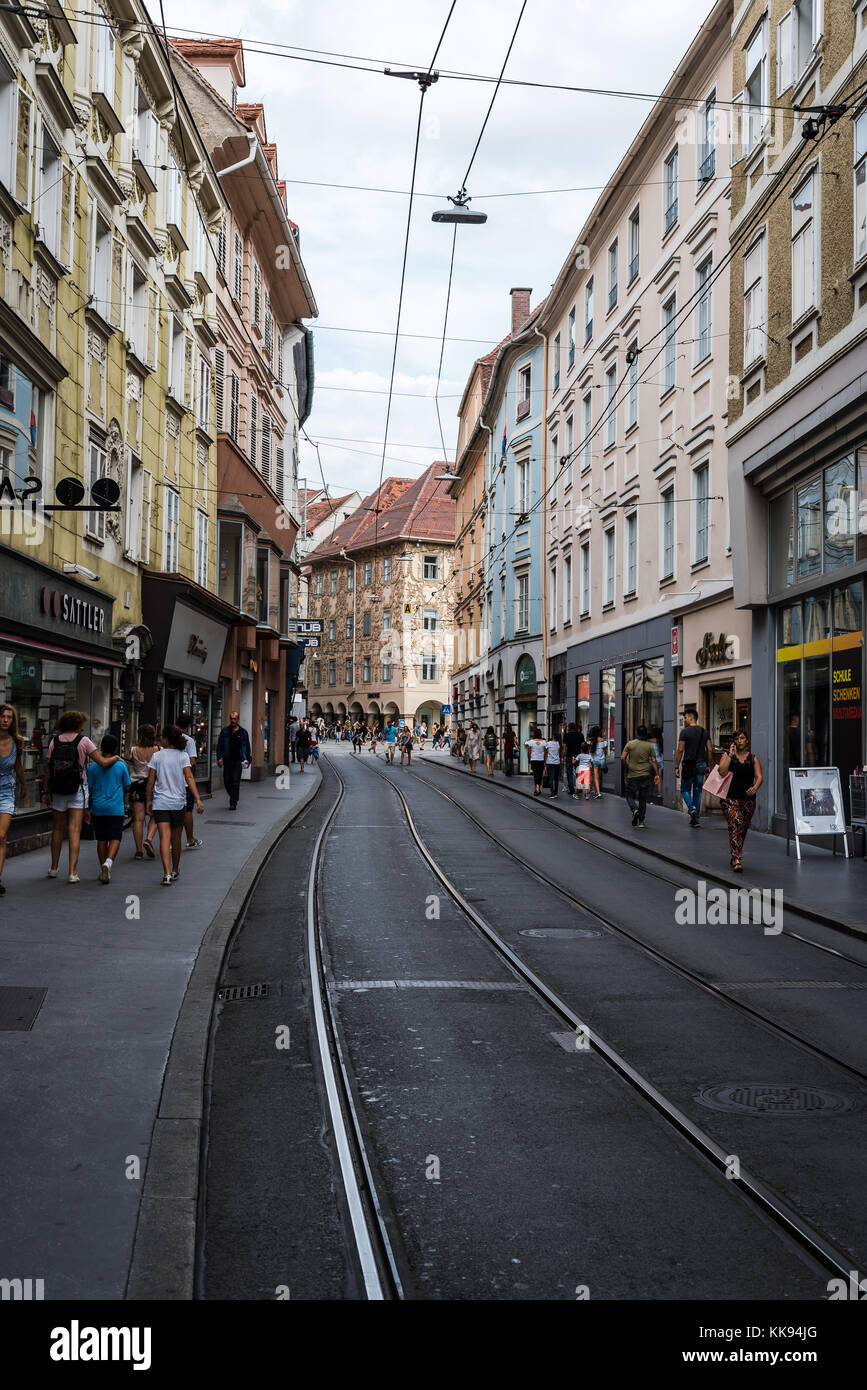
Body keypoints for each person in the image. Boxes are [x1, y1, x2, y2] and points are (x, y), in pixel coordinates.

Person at [43, 711, 120, 883]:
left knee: (57, 829)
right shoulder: (83, 741)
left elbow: (48, 768)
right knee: (74, 830)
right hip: (77, 788)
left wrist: (45, 790)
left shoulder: (54, 741)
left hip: (57, 789)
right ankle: (72, 872)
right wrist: (116, 757)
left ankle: (54, 868)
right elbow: (102, 762)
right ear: (77, 725)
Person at [146, 726, 204, 885]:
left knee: (164, 837)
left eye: (162, 737)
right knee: (176, 838)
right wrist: (198, 799)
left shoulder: (157, 756)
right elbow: (189, 778)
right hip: (178, 803)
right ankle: (175, 868)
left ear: (166, 739)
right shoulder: (183, 756)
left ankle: (166, 874)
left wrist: (148, 800)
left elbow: (150, 781)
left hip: (161, 802)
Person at [86, 734, 131, 883]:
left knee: (101, 838)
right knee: (115, 837)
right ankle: (109, 863)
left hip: (98, 807)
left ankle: (103, 868)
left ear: (101, 748)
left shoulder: (93, 767)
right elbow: (127, 786)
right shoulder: (121, 765)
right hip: (115, 808)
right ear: (116, 749)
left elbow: (90, 789)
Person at [718, 730, 763, 872]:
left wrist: (755, 787)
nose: (740, 741)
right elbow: (721, 771)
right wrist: (730, 755)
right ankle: (737, 859)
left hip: (748, 800)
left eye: (742, 738)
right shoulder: (727, 756)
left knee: (742, 829)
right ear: (734, 742)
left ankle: (734, 855)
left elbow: (759, 776)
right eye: (737, 738)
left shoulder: (753, 758)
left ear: (747, 740)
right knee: (735, 824)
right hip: (730, 799)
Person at [0, 704, 27, 895]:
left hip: (7, 792)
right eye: (2, 716)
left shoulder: (17, 742)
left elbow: (17, 766)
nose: (5, 720)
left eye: (9, 717)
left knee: (1, 836)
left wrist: (24, 784)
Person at [675, 709, 714, 829]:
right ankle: (696, 819)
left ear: (691, 718)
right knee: (698, 791)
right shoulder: (704, 731)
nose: (684, 720)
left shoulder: (685, 732)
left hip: (689, 765)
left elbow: (680, 750)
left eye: (685, 718)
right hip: (701, 764)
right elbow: (710, 750)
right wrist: (709, 765)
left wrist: (677, 766)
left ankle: (691, 808)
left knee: (684, 789)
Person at [620, 724, 661, 829]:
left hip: (632, 774)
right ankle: (641, 821)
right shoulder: (649, 746)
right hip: (645, 775)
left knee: (629, 795)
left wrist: (627, 766)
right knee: (643, 798)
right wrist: (657, 774)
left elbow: (622, 757)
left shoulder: (630, 744)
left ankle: (635, 810)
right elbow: (654, 761)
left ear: (637, 733)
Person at [128, 724, 159, 861]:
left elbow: (129, 765)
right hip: (153, 785)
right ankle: (149, 839)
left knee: (138, 819)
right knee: (155, 815)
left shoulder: (133, 750)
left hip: (137, 785)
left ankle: (139, 851)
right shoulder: (158, 750)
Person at [176, 712, 203, 850]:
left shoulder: (169, 739)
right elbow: (192, 762)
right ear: (188, 726)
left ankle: (170, 841)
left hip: (170, 781)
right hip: (185, 782)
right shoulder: (189, 741)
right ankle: (190, 838)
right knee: (187, 811)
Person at [216, 711, 251, 810]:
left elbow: (247, 747)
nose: (232, 720)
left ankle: (233, 802)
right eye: (231, 718)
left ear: (238, 719)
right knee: (227, 781)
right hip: (227, 760)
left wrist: (248, 759)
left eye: (234, 719)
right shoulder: (225, 731)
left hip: (238, 761)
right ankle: (234, 796)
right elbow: (220, 746)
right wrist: (219, 757)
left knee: (235, 781)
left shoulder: (243, 732)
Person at [525, 726, 547, 795]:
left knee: (535, 774)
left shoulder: (530, 742)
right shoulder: (544, 742)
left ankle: (537, 788)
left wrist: (529, 759)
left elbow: (529, 752)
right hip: (541, 760)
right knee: (540, 774)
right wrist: (545, 761)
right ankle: (538, 788)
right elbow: (545, 753)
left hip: (533, 759)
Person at [563, 722, 582, 798]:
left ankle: (572, 790)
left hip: (569, 756)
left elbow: (564, 747)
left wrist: (562, 756)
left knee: (569, 773)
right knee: (578, 772)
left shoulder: (566, 735)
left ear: (569, 728)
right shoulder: (580, 735)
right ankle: (578, 788)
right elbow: (583, 745)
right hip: (578, 755)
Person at [589, 724, 607, 800]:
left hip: (595, 761)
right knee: (599, 776)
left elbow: (590, 751)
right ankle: (597, 790)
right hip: (602, 760)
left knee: (595, 776)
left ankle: (598, 792)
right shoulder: (603, 741)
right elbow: (605, 751)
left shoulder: (591, 741)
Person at [544, 729, 563, 797]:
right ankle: (556, 793)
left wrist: (545, 762)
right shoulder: (559, 744)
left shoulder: (548, 743)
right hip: (557, 762)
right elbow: (560, 753)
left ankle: (552, 793)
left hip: (549, 762)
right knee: (556, 779)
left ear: (553, 736)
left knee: (551, 778)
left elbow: (545, 753)